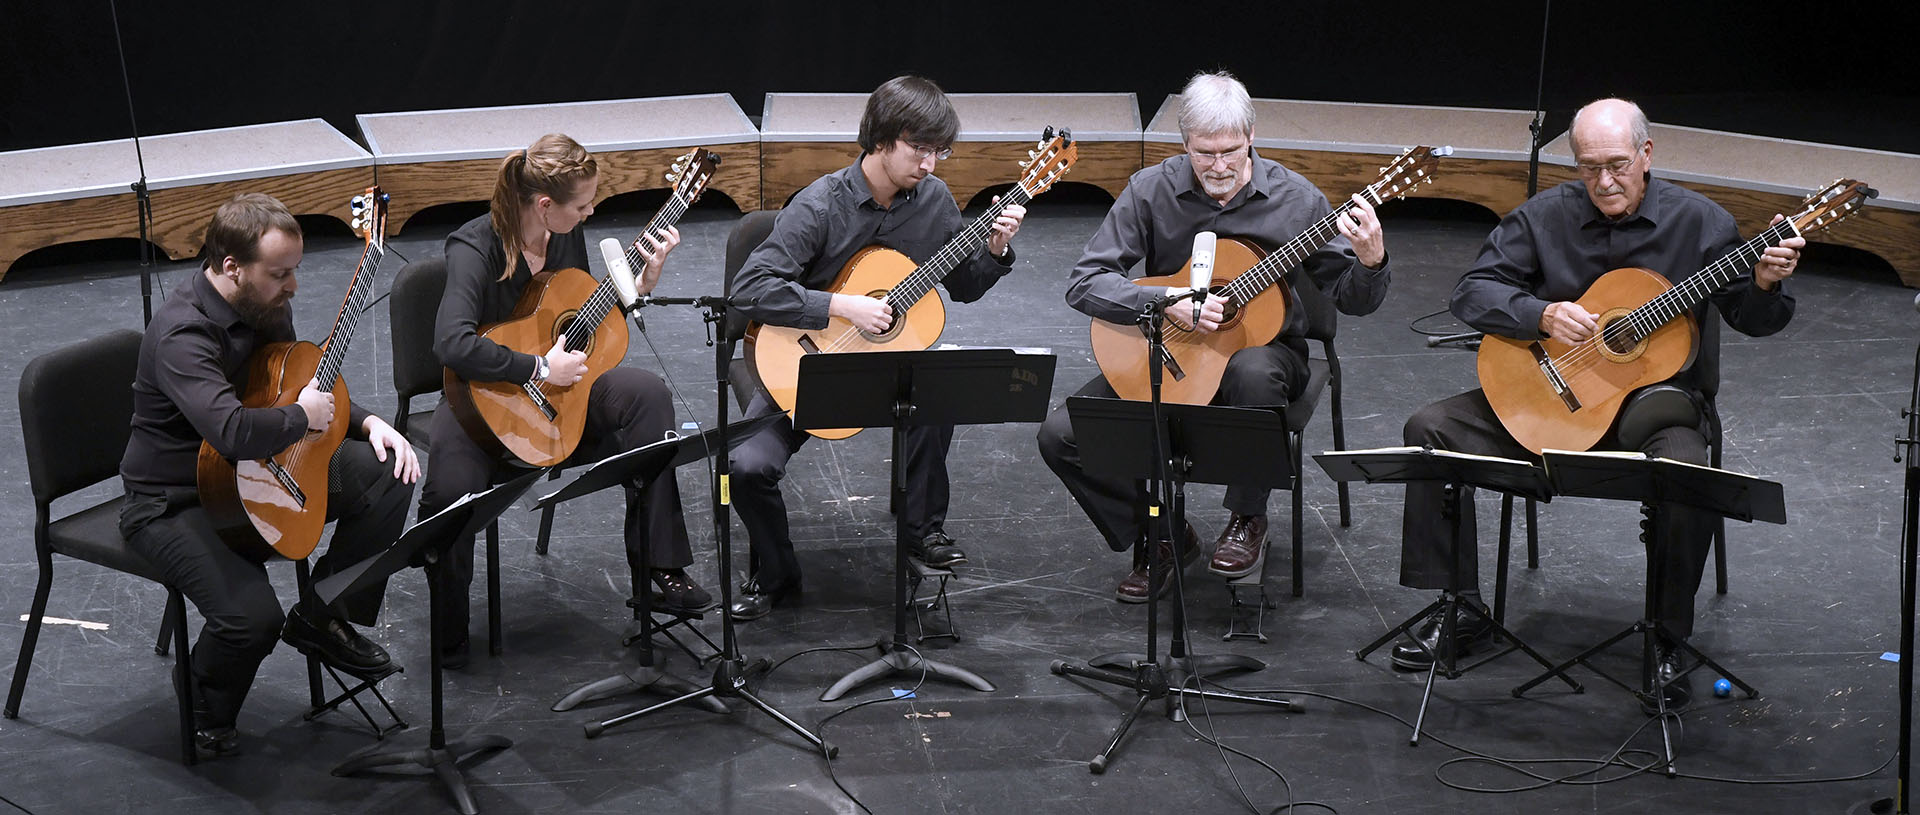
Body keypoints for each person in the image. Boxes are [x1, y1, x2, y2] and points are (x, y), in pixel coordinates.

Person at [1390, 98, 1801, 711]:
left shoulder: (1702, 224)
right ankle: (1460, 609)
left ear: (1646, 155)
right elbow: (1472, 293)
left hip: (1653, 412)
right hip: (1556, 402)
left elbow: (1752, 317)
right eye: (1588, 168)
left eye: (1616, 165)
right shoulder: (1544, 217)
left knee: (1689, 473)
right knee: (1430, 429)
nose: (1603, 182)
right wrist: (1541, 315)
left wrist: (1767, 283)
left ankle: (1666, 636)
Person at [1036, 70, 1390, 602]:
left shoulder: (1298, 200)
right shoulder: (1150, 191)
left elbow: (1355, 298)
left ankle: (1248, 518)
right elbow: (1085, 282)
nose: (1220, 166)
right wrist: (1163, 302)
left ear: (1251, 139)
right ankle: (1162, 539)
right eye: (1205, 153)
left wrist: (1371, 260)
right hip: (1172, 353)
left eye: (1232, 150)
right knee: (1061, 435)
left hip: (1268, 356)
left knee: (1252, 372)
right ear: (1184, 145)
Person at [119, 193, 419, 754]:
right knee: (251, 620)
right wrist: (304, 416)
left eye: (295, 272)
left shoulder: (263, 305)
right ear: (231, 267)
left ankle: (324, 615)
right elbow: (230, 430)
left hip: (261, 468)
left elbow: (294, 386)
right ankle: (203, 704)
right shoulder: (183, 333)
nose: (293, 287)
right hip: (176, 499)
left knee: (387, 473)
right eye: (279, 273)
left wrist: (368, 421)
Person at [726, 75, 1026, 621]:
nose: (930, 164)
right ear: (882, 139)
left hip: (887, 367)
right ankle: (778, 573)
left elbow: (963, 287)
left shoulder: (932, 201)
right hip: (808, 365)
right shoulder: (819, 206)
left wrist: (996, 250)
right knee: (746, 465)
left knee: (942, 389)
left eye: (940, 151)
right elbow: (749, 290)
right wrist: (840, 307)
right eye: (919, 149)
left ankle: (921, 533)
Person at [422, 132, 709, 666]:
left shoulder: (566, 236)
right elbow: (451, 343)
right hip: (486, 401)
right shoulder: (473, 246)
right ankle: (449, 631)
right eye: (582, 205)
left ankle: (658, 568)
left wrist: (639, 285)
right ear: (545, 205)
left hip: (559, 396)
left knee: (645, 395)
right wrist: (535, 366)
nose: (590, 211)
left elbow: (577, 313)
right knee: (449, 496)